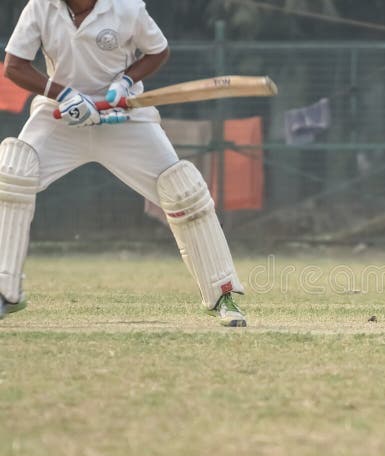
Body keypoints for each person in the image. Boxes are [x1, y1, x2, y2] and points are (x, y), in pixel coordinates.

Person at [0, 0, 246, 326]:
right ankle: (5, 291)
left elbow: (157, 51)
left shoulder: (127, 7)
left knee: (184, 190)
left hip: (124, 116)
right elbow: (13, 66)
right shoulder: (41, 6)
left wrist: (125, 82)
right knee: (12, 173)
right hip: (62, 116)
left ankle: (222, 294)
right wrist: (64, 94)